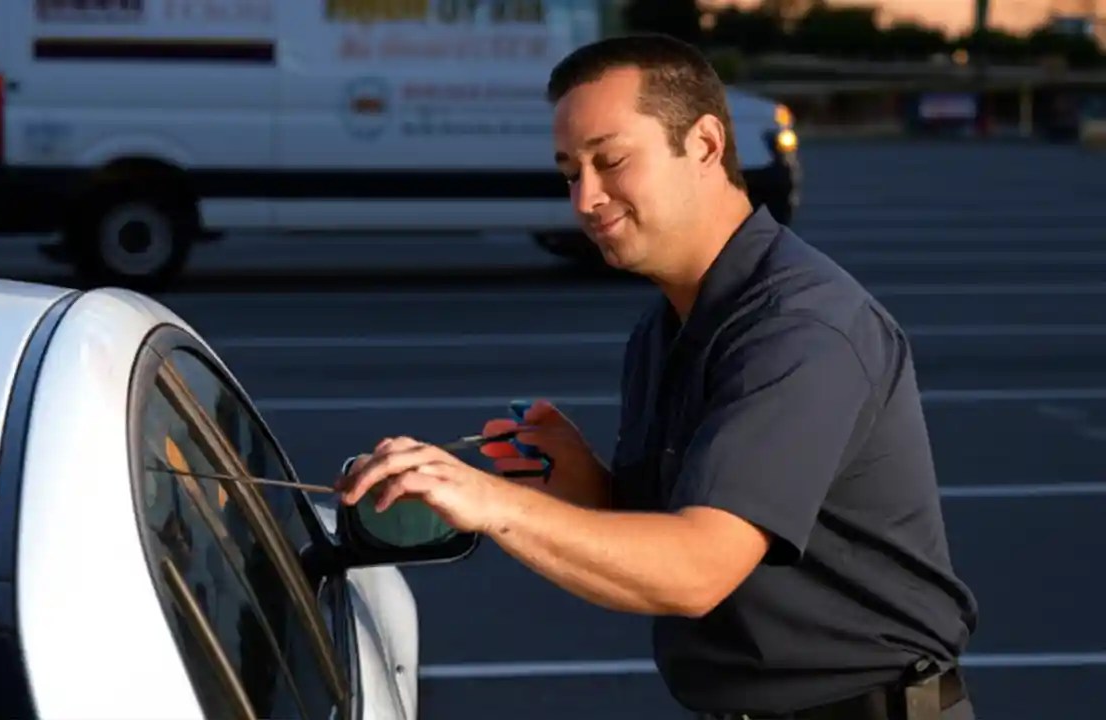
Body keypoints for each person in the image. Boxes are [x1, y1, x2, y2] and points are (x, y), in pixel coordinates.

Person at [336, 34, 980, 720]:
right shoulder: (667, 325)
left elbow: (698, 570)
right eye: (569, 173)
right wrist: (590, 490)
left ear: (704, 144)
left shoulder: (801, 328)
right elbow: (669, 538)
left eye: (610, 160)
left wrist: (492, 503)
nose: (586, 198)